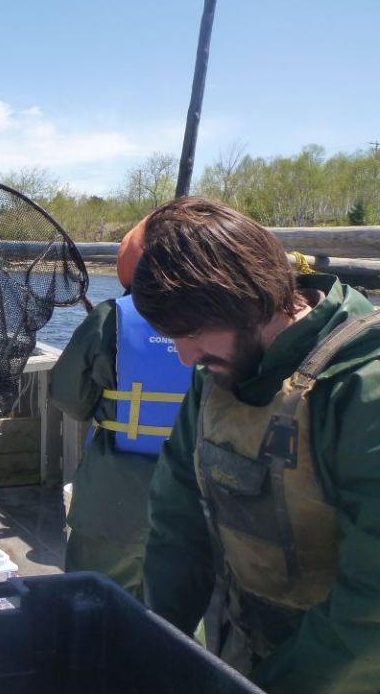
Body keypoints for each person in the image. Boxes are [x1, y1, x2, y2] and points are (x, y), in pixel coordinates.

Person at [132, 196, 380, 693]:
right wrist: (155, 655)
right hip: (245, 647)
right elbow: (177, 526)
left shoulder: (362, 391)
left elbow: (369, 603)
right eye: (172, 336)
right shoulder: (216, 375)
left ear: (253, 300)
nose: (185, 358)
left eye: (194, 333)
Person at [49, 216, 191, 599]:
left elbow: (68, 397)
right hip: (192, 496)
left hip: (114, 495)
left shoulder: (112, 316)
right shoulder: (218, 317)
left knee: (92, 599)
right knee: (176, 608)